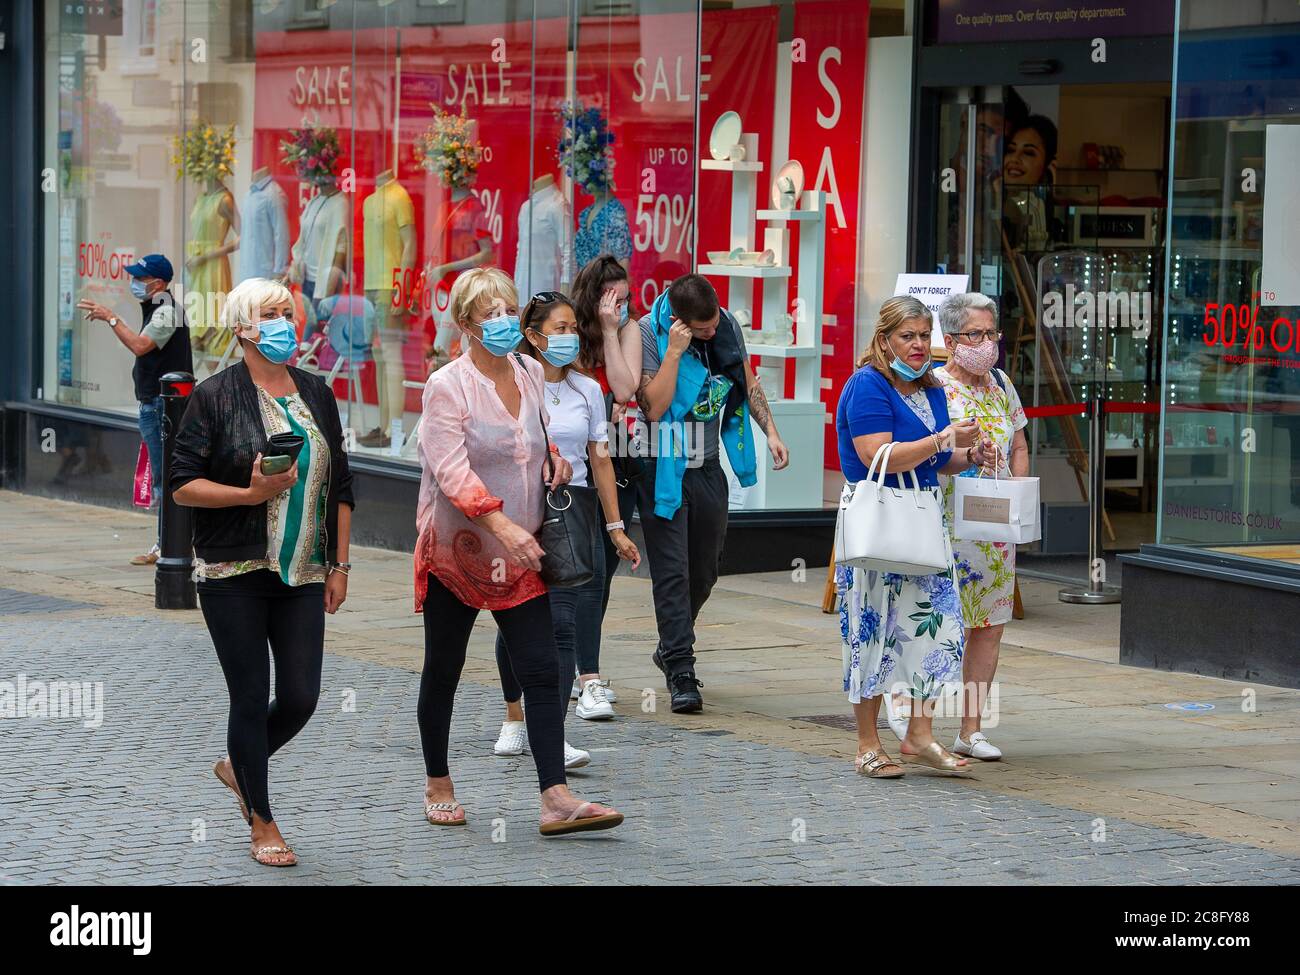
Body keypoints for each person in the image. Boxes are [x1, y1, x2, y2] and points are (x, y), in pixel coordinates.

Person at [413, 266, 624, 836]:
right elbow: (450, 470)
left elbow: (536, 433)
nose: (504, 321)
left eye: (508, 309)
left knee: (542, 666)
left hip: (524, 551)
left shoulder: (530, 372)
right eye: (490, 314)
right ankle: (438, 782)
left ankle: (555, 796)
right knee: (445, 668)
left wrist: (554, 456)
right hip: (459, 551)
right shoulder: (447, 385)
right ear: (465, 323)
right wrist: (503, 526)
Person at [170, 277, 355, 867]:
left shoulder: (317, 392)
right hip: (233, 570)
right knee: (250, 697)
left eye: (288, 313)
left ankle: (238, 765)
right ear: (244, 327)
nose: (285, 324)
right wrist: (248, 494)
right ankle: (262, 820)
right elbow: (181, 486)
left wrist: (340, 564)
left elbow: (342, 484)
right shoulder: (215, 395)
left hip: (302, 569)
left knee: (300, 697)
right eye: (271, 315)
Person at [834, 295, 993, 778]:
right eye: (908, 336)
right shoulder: (868, 385)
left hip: (922, 522)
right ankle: (867, 743)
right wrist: (943, 440)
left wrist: (971, 455)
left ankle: (918, 735)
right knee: (873, 631)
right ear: (884, 340)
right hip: (880, 526)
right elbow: (875, 455)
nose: (919, 344)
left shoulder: (930, 390)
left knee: (937, 631)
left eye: (925, 335)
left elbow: (937, 461)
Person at [492, 292, 641, 761]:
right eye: (558, 328)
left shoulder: (587, 390)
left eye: (573, 327)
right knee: (516, 621)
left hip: (572, 512)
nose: (569, 336)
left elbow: (600, 459)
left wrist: (615, 526)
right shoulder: (510, 381)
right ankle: (515, 714)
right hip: (519, 508)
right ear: (533, 336)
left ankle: (550, 733)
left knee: (561, 626)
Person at [636, 274, 789, 713]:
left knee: (704, 570)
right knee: (672, 573)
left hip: (706, 466)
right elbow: (654, 406)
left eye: (713, 325)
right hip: (661, 468)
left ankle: (670, 646)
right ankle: (682, 671)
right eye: (702, 329)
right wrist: (675, 352)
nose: (712, 332)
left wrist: (771, 432)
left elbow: (746, 381)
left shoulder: (724, 324)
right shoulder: (648, 332)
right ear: (680, 322)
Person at [935, 292, 1029, 761]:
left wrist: (1020, 490)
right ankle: (920, 724)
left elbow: (1020, 442)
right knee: (940, 623)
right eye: (976, 334)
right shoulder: (934, 387)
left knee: (988, 625)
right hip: (945, 523)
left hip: (994, 528)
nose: (987, 343)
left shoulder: (1002, 384)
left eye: (992, 333)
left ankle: (970, 729)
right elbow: (926, 454)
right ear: (950, 340)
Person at [76, 254, 193, 565]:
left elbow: (141, 346)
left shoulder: (167, 312)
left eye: (140, 279)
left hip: (160, 406)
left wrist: (111, 318)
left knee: (165, 476)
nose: (135, 284)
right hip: (155, 403)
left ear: (158, 283)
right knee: (164, 475)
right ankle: (170, 543)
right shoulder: (157, 309)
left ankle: (170, 546)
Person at [570, 254, 643, 710]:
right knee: (589, 569)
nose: (619, 304)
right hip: (579, 463)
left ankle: (582, 665)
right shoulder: (569, 330)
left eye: (625, 296)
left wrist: (613, 330)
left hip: (620, 458)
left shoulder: (629, 329)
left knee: (606, 570)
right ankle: (587, 675)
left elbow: (623, 388)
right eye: (611, 297)